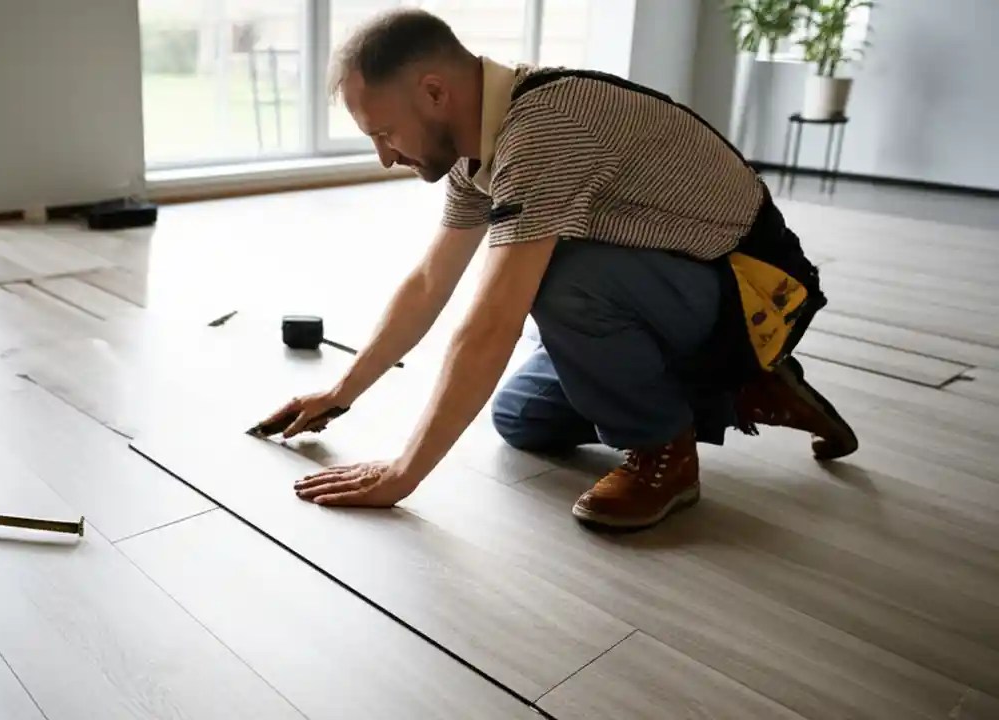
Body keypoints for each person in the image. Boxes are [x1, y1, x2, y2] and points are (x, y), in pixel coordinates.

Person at [256, 8, 858, 529]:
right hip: (681, 286)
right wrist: (342, 392)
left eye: (385, 132)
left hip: (753, 289)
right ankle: (740, 385)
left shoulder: (545, 127)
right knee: (523, 417)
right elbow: (429, 283)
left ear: (435, 93)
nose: (385, 156)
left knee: (559, 278)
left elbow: (493, 321)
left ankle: (667, 455)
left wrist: (404, 471)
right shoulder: (476, 151)